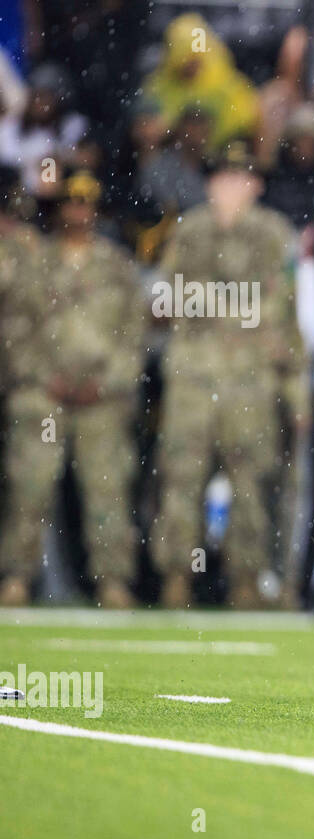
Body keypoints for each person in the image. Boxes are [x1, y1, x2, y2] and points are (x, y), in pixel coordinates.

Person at [151, 142, 306, 609]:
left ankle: (245, 580)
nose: (230, 188)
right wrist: (240, 308)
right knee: (181, 477)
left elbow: (284, 308)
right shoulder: (190, 230)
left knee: (251, 483)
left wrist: (295, 386)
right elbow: (165, 297)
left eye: (240, 179)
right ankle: (177, 576)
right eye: (222, 178)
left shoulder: (275, 233)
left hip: (250, 381)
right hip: (194, 378)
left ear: (255, 185)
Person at [0, 170, 144, 608]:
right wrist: (44, 376)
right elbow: (13, 330)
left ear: (97, 210)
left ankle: (112, 579)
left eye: (87, 202)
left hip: (101, 394)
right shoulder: (32, 262)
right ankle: (17, 576)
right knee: (30, 482)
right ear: (59, 208)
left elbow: (132, 336)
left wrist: (108, 381)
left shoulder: (117, 266)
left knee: (107, 484)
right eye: (71, 202)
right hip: (45, 389)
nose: (79, 211)